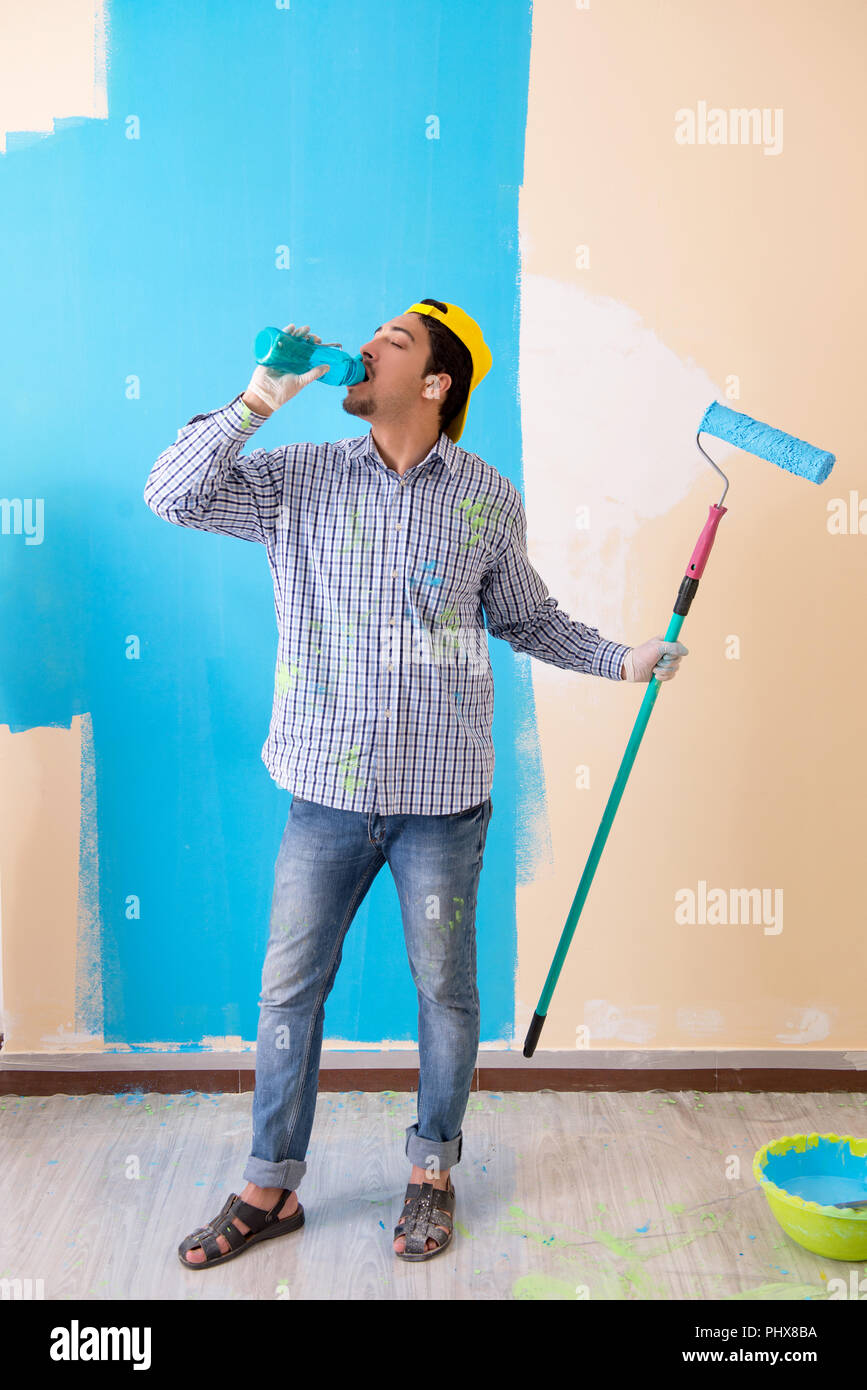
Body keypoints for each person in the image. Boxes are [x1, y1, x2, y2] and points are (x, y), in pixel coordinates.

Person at [144, 299, 688, 1269]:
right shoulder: (296, 476)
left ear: (436, 384)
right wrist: (259, 398)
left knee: (445, 990)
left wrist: (623, 660)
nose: (362, 349)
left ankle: (431, 1171)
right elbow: (173, 495)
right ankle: (269, 1184)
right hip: (325, 790)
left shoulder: (484, 494)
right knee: (287, 993)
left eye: (392, 343)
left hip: (444, 800)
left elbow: (529, 618)